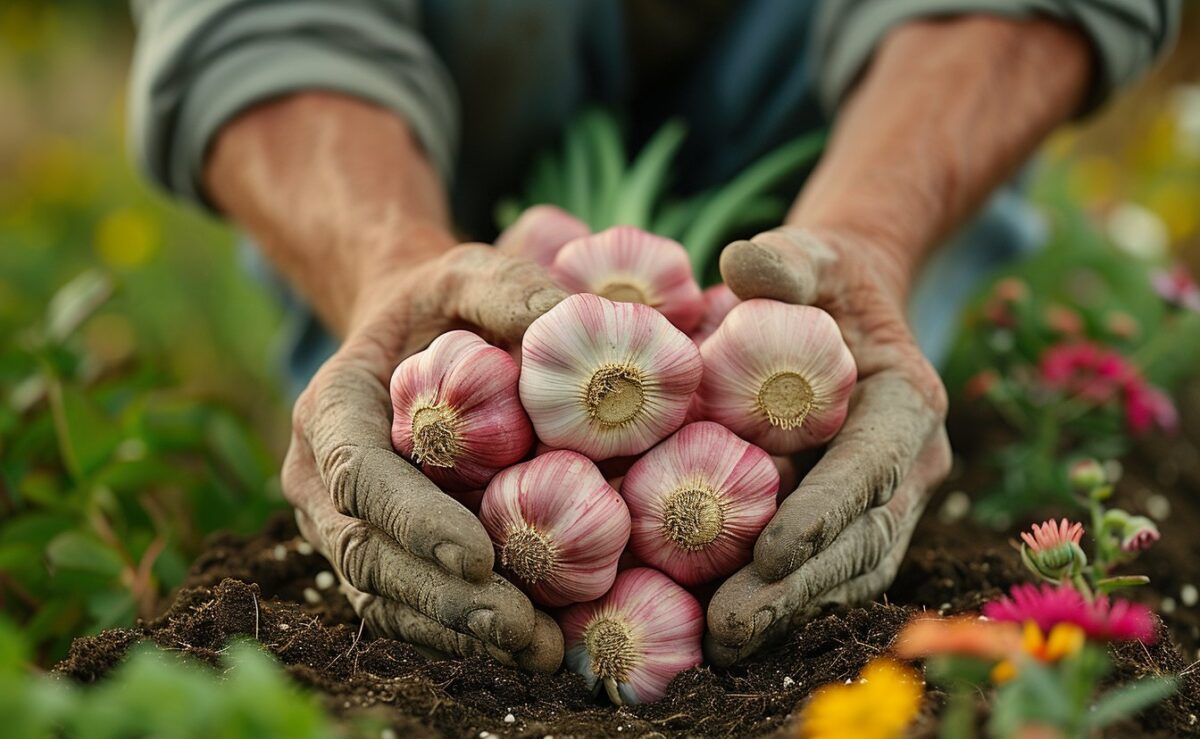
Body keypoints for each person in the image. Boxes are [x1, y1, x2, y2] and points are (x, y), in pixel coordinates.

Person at [128, 1, 1179, 671]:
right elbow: (254, 23)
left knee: (814, 458)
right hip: (435, 184)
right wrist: (384, 266)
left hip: (833, 132)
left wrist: (871, 238)